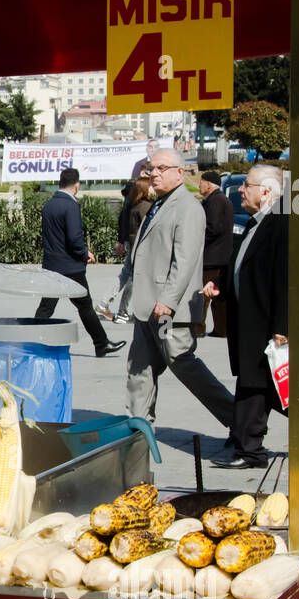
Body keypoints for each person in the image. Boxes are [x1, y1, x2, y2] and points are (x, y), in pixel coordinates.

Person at [203, 165, 299, 469]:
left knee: (255, 384)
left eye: (246, 185)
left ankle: (250, 450)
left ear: (265, 192)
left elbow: (289, 279)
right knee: (260, 384)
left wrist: (283, 325)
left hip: (265, 320)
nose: (239, 191)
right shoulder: (255, 223)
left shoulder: (282, 225)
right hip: (249, 319)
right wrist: (220, 284)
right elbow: (242, 263)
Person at [124, 149, 236, 433]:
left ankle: (239, 418)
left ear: (179, 173)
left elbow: (184, 261)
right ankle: (139, 427)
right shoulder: (158, 204)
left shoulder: (187, 207)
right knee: (140, 367)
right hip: (147, 307)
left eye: (162, 168)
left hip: (167, 312)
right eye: (152, 168)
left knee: (182, 364)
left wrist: (168, 301)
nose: (155, 173)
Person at [33, 169, 126, 358]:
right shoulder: (70, 205)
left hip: (52, 265)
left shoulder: (49, 205)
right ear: (77, 185)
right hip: (70, 268)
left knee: (46, 308)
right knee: (84, 306)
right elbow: (74, 238)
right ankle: (101, 344)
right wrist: (84, 253)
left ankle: (31, 342)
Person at [98, 173, 151, 325]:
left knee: (129, 276)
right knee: (131, 278)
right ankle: (120, 311)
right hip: (137, 246)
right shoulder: (141, 205)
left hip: (133, 244)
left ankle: (107, 305)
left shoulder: (137, 202)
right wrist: (122, 240)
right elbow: (127, 222)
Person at [196, 170, 234, 338]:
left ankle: (198, 328)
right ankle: (221, 328)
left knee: (203, 294)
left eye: (201, 182)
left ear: (209, 184)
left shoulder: (216, 201)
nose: (199, 185)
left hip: (212, 257)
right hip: (219, 255)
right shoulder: (218, 199)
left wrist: (197, 239)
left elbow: (213, 228)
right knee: (218, 296)